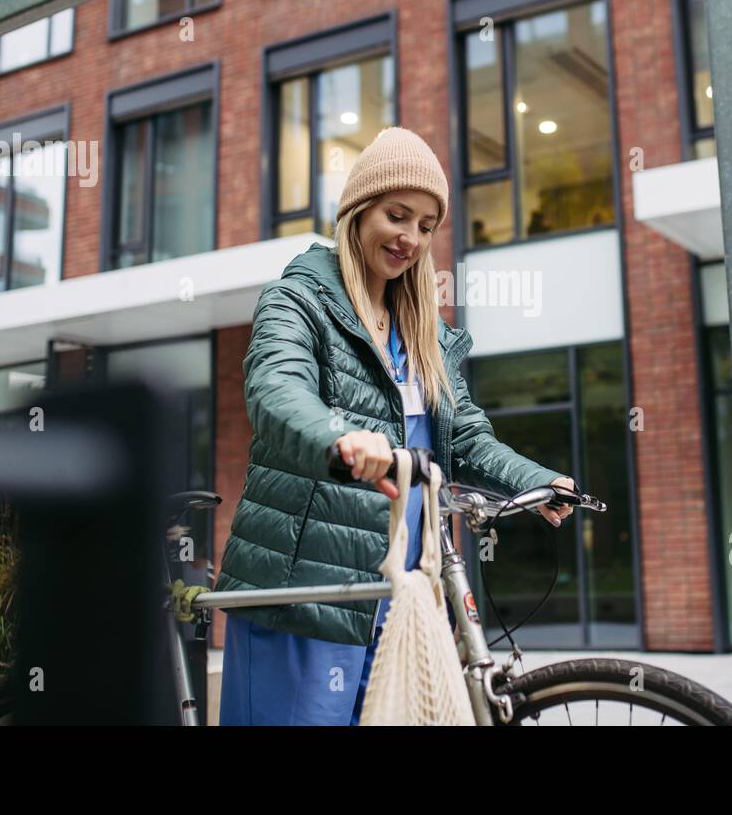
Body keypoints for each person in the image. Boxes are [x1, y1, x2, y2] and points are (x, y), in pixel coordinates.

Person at [216, 125, 575, 725]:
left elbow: (466, 438)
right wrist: (342, 438)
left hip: (400, 594)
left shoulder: (423, 334)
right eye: (397, 215)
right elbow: (276, 392)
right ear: (358, 212)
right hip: (309, 593)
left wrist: (538, 481)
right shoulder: (297, 301)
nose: (410, 238)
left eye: (426, 226)